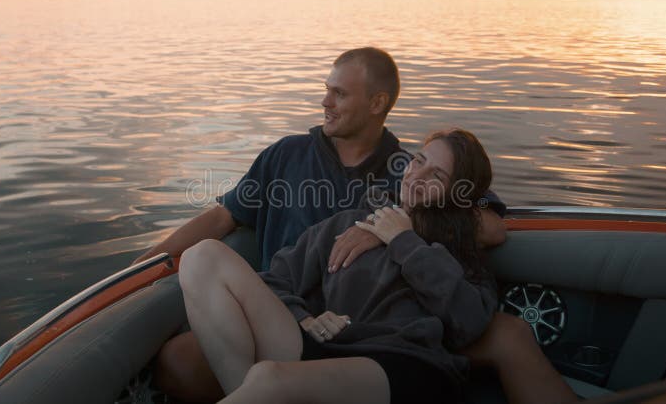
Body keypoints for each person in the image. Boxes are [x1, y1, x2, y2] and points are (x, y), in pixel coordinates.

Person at [179, 129, 498, 403]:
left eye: (437, 176)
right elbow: (276, 279)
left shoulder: (459, 249)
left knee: (269, 380)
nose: (417, 177)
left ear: (459, 193)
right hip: (330, 347)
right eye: (418, 161)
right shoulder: (348, 225)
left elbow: (467, 322)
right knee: (202, 257)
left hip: (408, 366)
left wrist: (403, 240)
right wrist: (305, 317)